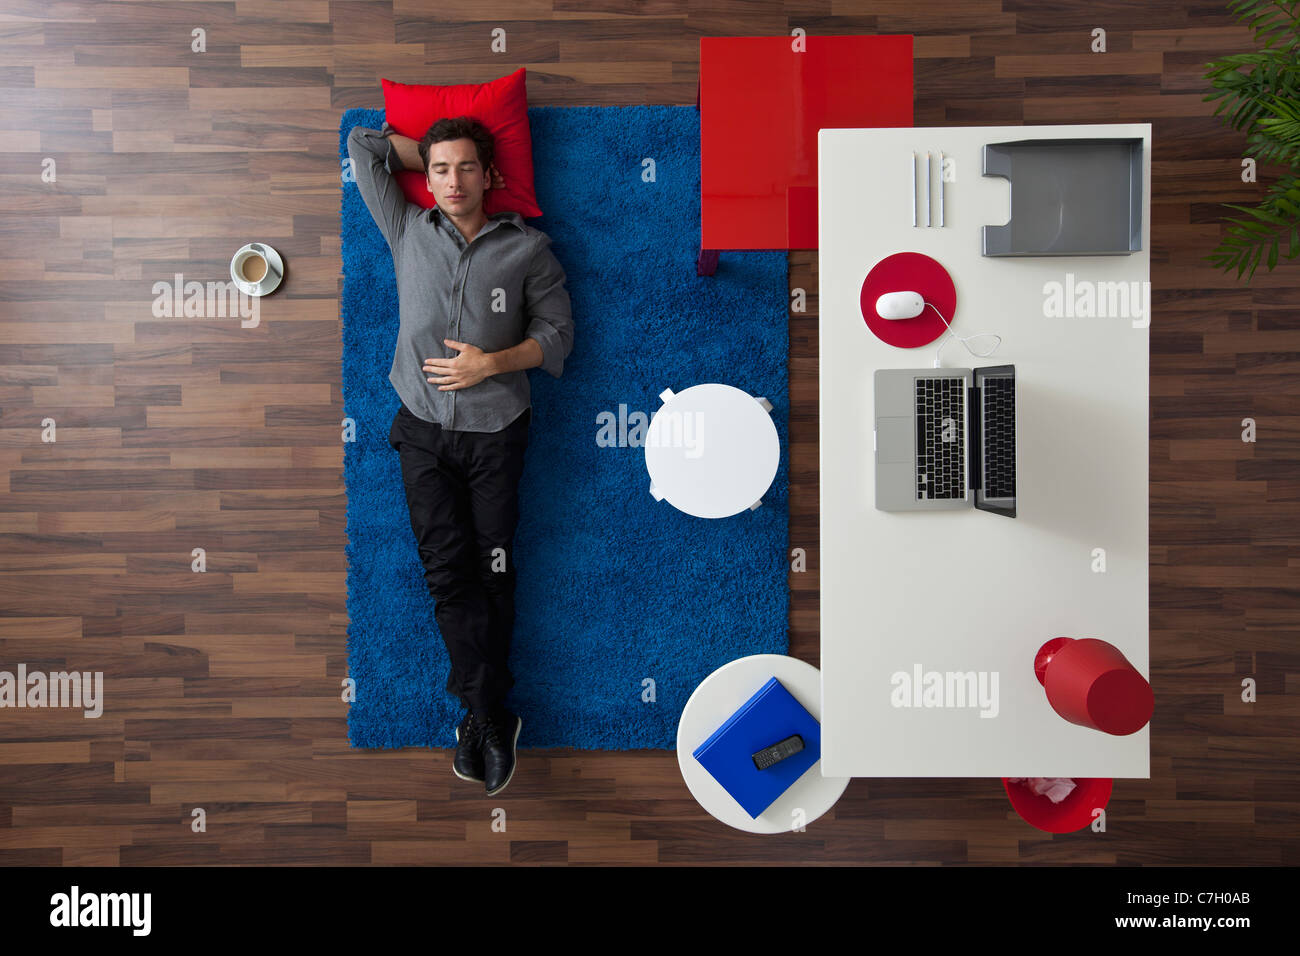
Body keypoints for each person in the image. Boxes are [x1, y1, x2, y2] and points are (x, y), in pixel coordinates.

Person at [347, 114, 574, 796]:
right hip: (418, 427)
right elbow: (363, 144)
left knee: (495, 571)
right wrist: (432, 150)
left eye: (467, 168)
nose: (451, 181)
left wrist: (491, 363)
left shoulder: (527, 249)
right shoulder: (406, 228)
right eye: (440, 169)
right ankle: (487, 715)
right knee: (448, 571)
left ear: (490, 176)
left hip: (496, 427)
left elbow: (559, 333)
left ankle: (481, 716)